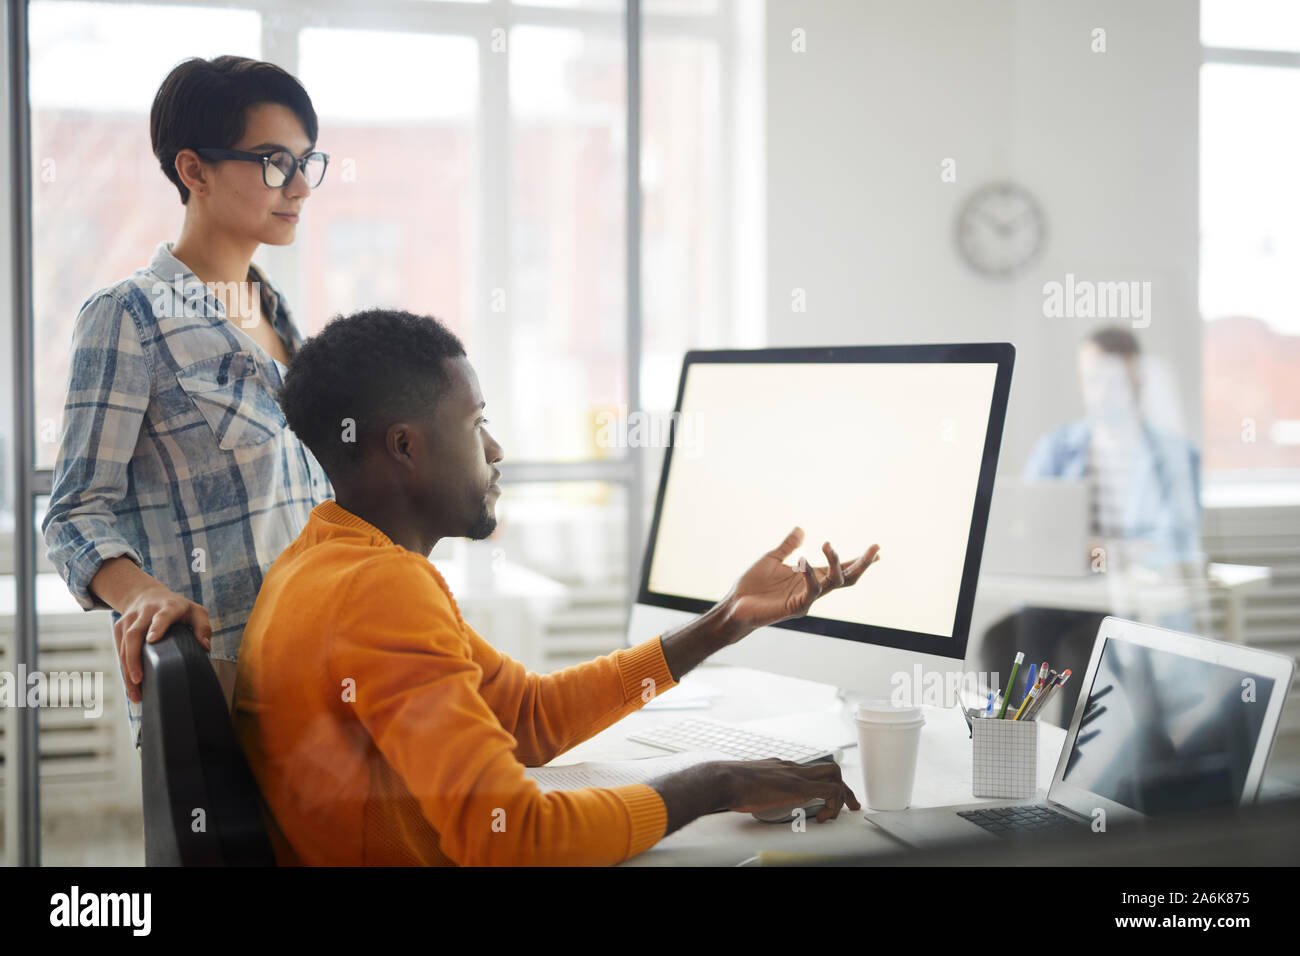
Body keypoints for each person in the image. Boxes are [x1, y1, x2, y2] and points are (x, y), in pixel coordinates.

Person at [233, 308, 883, 865]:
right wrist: (717, 783)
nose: (496, 449)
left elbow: (528, 720)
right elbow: (513, 838)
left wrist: (726, 621)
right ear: (405, 446)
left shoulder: (322, 560)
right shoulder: (378, 590)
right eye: (475, 422)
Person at [42, 56, 333, 747]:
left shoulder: (277, 310)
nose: (299, 186)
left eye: (306, 162)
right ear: (193, 170)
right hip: (226, 695)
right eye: (272, 162)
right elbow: (74, 514)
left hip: (323, 677)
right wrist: (141, 593)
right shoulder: (128, 317)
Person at [1024, 325, 1202, 572]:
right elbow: (1030, 529)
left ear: (1138, 380)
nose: (1103, 393)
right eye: (1093, 379)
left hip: (1139, 594)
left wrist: (1101, 553)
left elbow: (1176, 544)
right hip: (1063, 594)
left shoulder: (1176, 455)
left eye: (1114, 381)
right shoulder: (1055, 449)